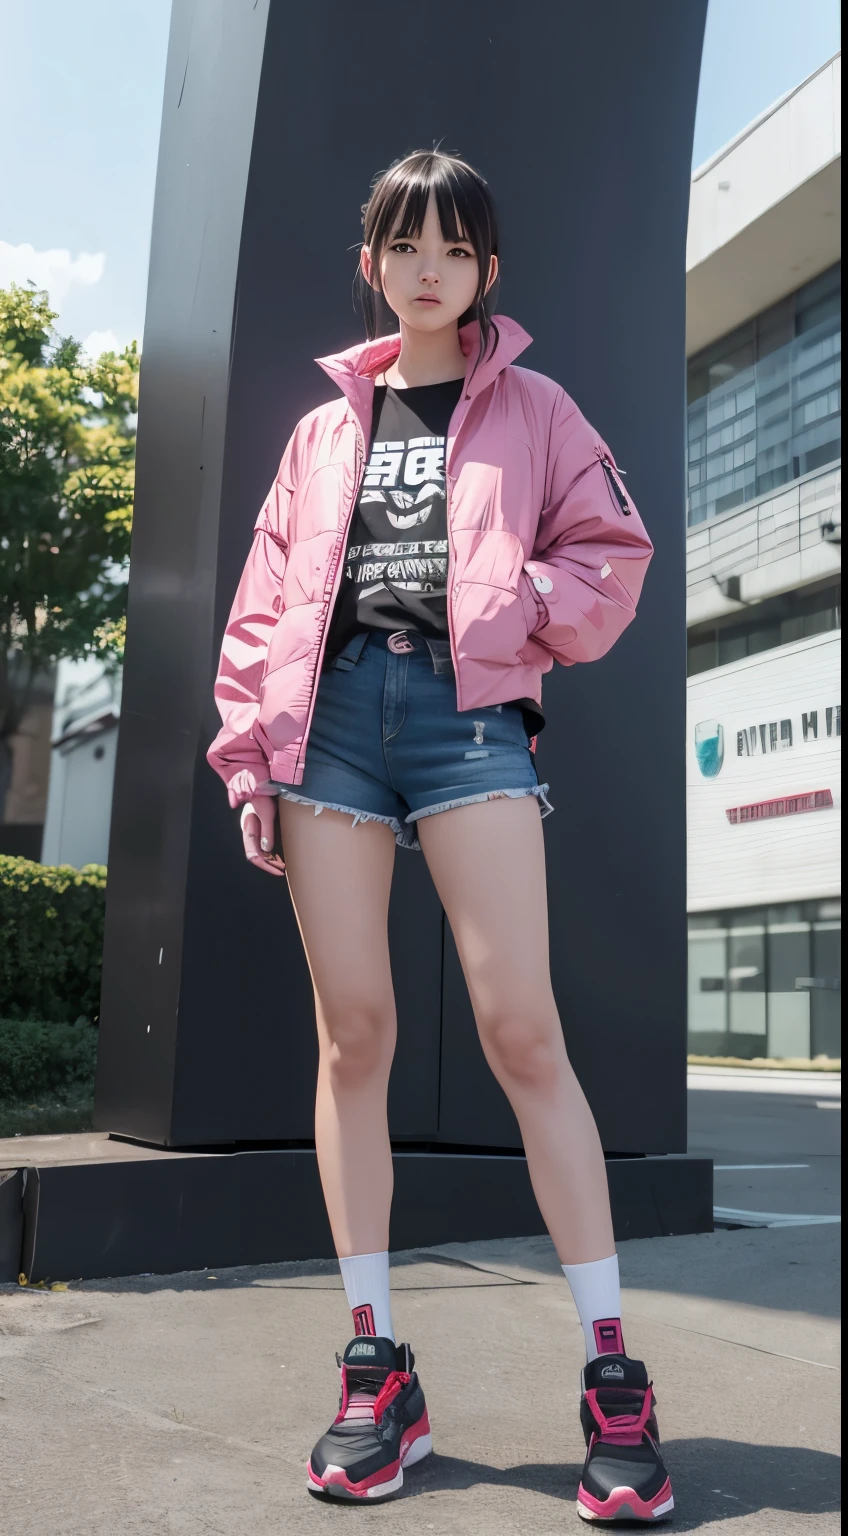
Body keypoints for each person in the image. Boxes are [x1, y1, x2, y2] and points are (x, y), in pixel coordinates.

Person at [208, 149, 672, 1523]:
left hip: (469, 725)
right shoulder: (319, 434)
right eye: (405, 245)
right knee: (354, 1035)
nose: (429, 269)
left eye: (455, 248)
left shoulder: (537, 407)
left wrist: (512, 608)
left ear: (487, 272)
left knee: (521, 1029)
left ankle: (613, 1373)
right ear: (371, 264)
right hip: (330, 732)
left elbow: (614, 556)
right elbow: (261, 608)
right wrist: (250, 760)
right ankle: (375, 1373)